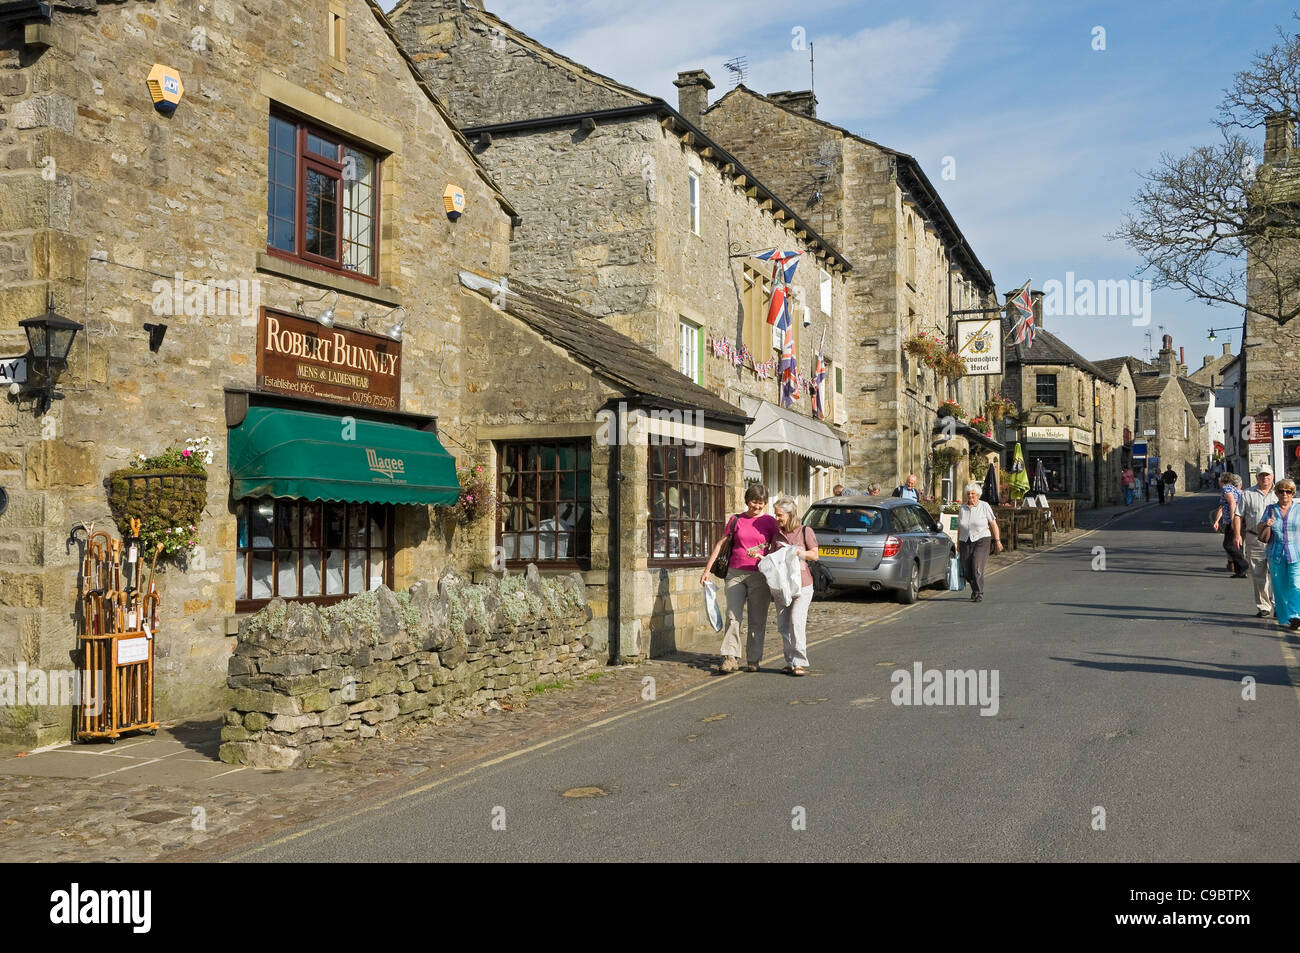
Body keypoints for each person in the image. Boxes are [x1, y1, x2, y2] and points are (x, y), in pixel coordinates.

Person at [701, 483, 780, 673]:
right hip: (735, 573)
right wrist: (707, 570)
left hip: (760, 575)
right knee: (733, 616)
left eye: (761, 503)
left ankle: (753, 659)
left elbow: (778, 548)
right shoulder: (736, 520)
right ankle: (730, 657)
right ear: (747, 500)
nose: (757, 506)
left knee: (757, 619)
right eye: (754, 502)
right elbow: (721, 544)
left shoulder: (770, 522)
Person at [772, 497, 817, 676]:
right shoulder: (777, 534)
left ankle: (799, 661)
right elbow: (772, 558)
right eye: (776, 515)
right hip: (782, 586)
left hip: (803, 584)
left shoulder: (805, 531)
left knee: (796, 621)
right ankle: (790, 661)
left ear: (790, 514)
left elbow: (815, 555)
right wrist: (759, 557)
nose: (777, 518)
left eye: (780, 515)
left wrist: (798, 553)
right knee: (783, 625)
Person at [1257, 477, 1300, 630]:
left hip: (1296, 553)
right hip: (1276, 554)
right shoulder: (1270, 509)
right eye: (1281, 491)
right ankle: (1284, 618)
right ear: (1276, 493)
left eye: (1288, 491)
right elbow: (1259, 528)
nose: (1284, 494)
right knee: (1280, 587)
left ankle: (1295, 615)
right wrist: (1265, 524)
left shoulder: (1299, 509)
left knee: (1296, 584)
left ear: (1292, 493)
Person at [1237, 465, 1277, 618]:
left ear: (1272, 476)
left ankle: (1278, 606)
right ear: (1257, 477)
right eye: (1261, 475)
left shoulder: (1279, 493)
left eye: (1267, 475)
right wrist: (1237, 534)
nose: (1264, 478)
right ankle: (1264, 607)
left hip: (1276, 540)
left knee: (1277, 575)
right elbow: (1238, 515)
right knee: (1259, 575)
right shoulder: (1247, 494)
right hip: (1254, 538)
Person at [957, 482, 1003, 603]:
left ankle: (978, 593)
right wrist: (957, 543)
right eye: (968, 494)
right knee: (966, 570)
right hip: (965, 540)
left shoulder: (984, 506)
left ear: (978, 495)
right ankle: (974, 589)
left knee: (977, 566)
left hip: (982, 539)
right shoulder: (962, 508)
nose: (970, 496)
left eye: (973, 494)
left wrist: (997, 540)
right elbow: (959, 527)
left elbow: (993, 524)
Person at [1212, 473, 1249, 577]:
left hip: (1234, 521)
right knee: (1237, 545)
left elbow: (1232, 503)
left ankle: (1244, 564)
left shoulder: (1226, 489)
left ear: (1221, 481)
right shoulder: (1236, 489)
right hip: (1242, 520)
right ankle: (1240, 572)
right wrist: (1216, 521)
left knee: (1228, 545)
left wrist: (1233, 521)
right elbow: (1223, 507)